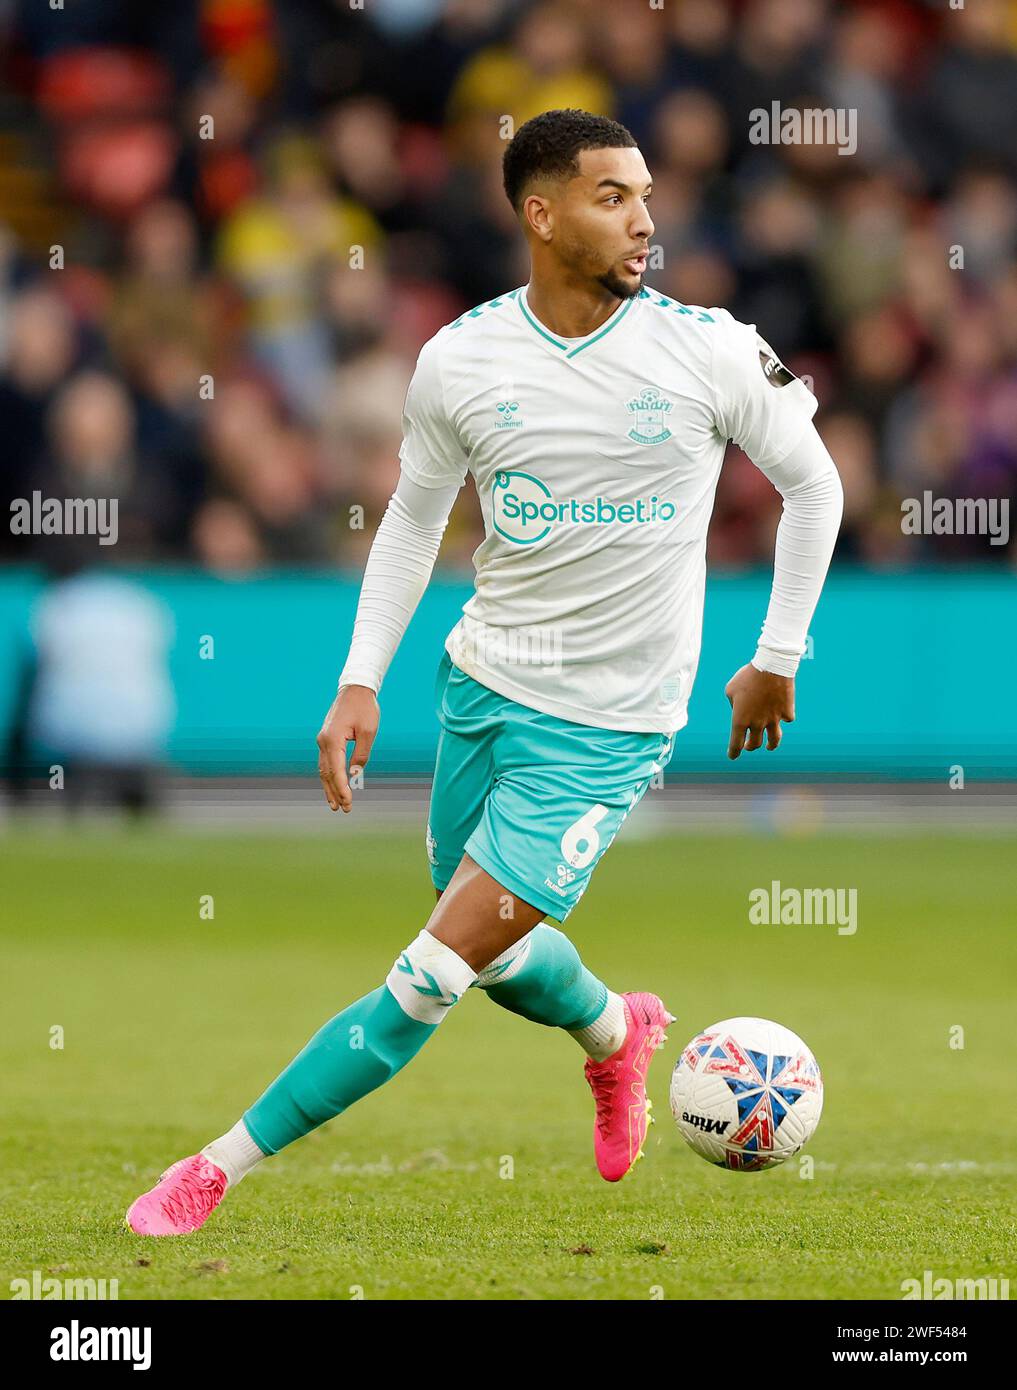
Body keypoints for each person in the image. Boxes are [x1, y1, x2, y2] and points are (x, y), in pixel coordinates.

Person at [127, 109, 843, 1236]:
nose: (644, 221)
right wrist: (361, 678)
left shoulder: (707, 347)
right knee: (495, 957)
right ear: (540, 214)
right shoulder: (461, 359)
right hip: (482, 686)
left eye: (646, 197)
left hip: (608, 729)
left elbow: (816, 486)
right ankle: (614, 1030)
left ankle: (213, 1168)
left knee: (430, 973)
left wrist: (777, 654)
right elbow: (414, 523)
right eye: (613, 196)